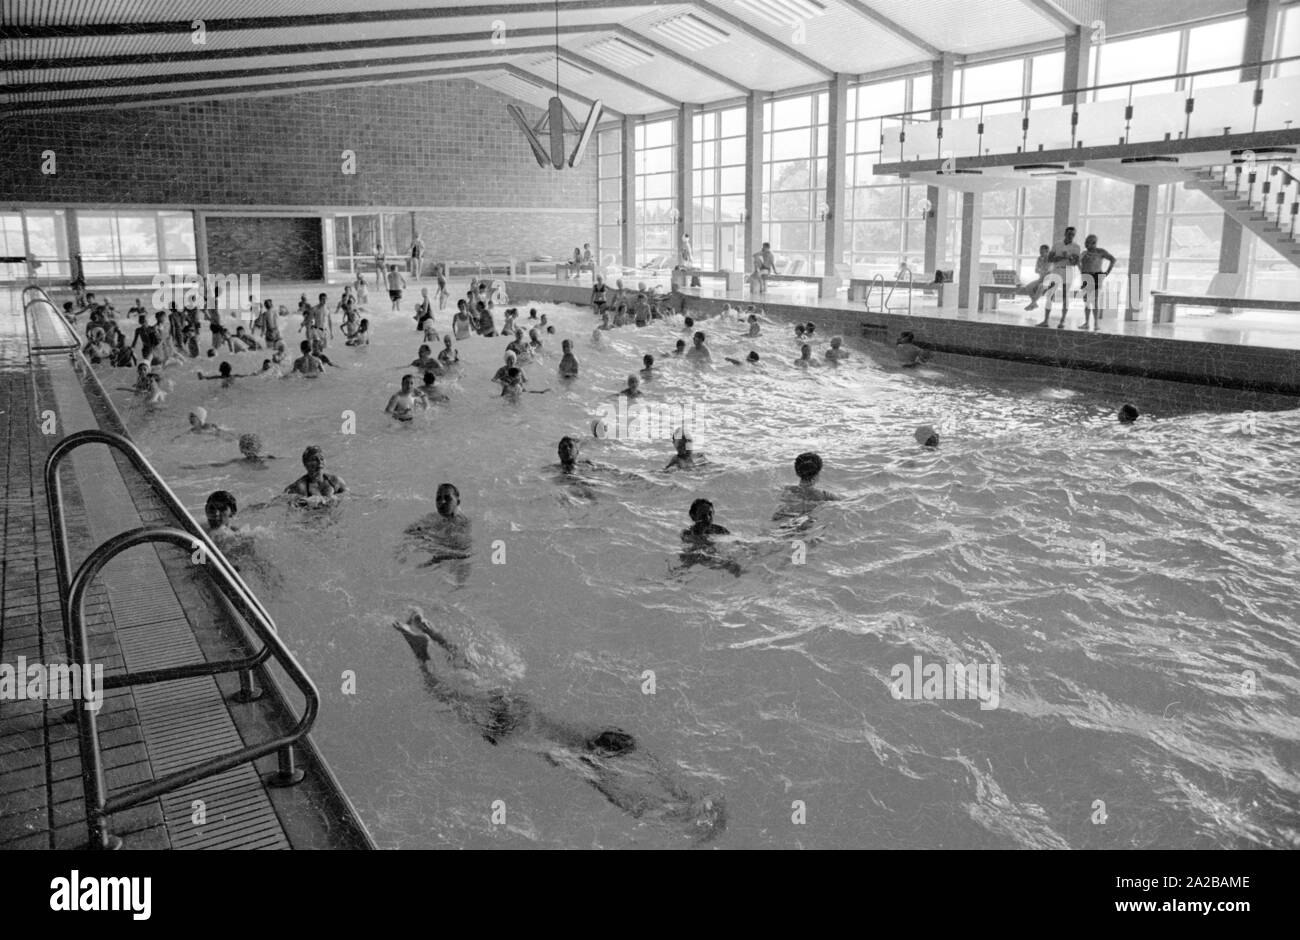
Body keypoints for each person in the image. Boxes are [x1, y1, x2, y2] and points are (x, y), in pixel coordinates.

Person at [389, 610, 726, 843]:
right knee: (447, 689)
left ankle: (427, 631)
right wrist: (677, 814)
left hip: (517, 715)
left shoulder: (581, 739)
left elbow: (631, 769)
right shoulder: (581, 753)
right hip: (509, 725)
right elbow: (626, 796)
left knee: (468, 674)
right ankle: (421, 646)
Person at [403, 483, 472, 563]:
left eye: (447, 498)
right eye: (438, 498)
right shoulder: (435, 516)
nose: (442, 502)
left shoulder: (461, 524)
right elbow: (409, 531)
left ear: (458, 502)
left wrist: (429, 541)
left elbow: (464, 554)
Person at [1038, 226, 1081, 329]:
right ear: (1065, 234)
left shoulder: (1076, 247)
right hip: (1057, 269)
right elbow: (1050, 258)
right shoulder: (1057, 244)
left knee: (1065, 295)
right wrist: (1063, 257)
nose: (1071, 236)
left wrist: (1069, 257)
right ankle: (1045, 320)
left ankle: (1062, 321)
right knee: (1050, 294)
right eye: (1069, 234)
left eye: (1073, 234)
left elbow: (1075, 262)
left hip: (1068, 270)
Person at [1078, 234, 1116, 331]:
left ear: (1094, 243)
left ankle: (1096, 323)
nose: (1085, 244)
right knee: (1086, 301)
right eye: (1085, 242)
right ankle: (1086, 323)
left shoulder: (1100, 252)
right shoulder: (1084, 253)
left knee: (1094, 301)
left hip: (1096, 276)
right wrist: (1081, 270)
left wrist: (1107, 272)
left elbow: (1113, 259)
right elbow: (1078, 262)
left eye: (1088, 242)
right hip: (1086, 277)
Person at [1022, 244, 1052, 311]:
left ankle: (1032, 304)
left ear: (1047, 251)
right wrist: (1042, 270)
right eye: (1040, 251)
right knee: (1028, 286)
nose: (1040, 253)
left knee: (1041, 286)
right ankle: (1034, 303)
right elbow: (1036, 270)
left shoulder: (1051, 260)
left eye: (1042, 252)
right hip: (1041, 279)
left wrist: (1041, 270)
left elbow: (1047, 271)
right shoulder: (1039, 259)